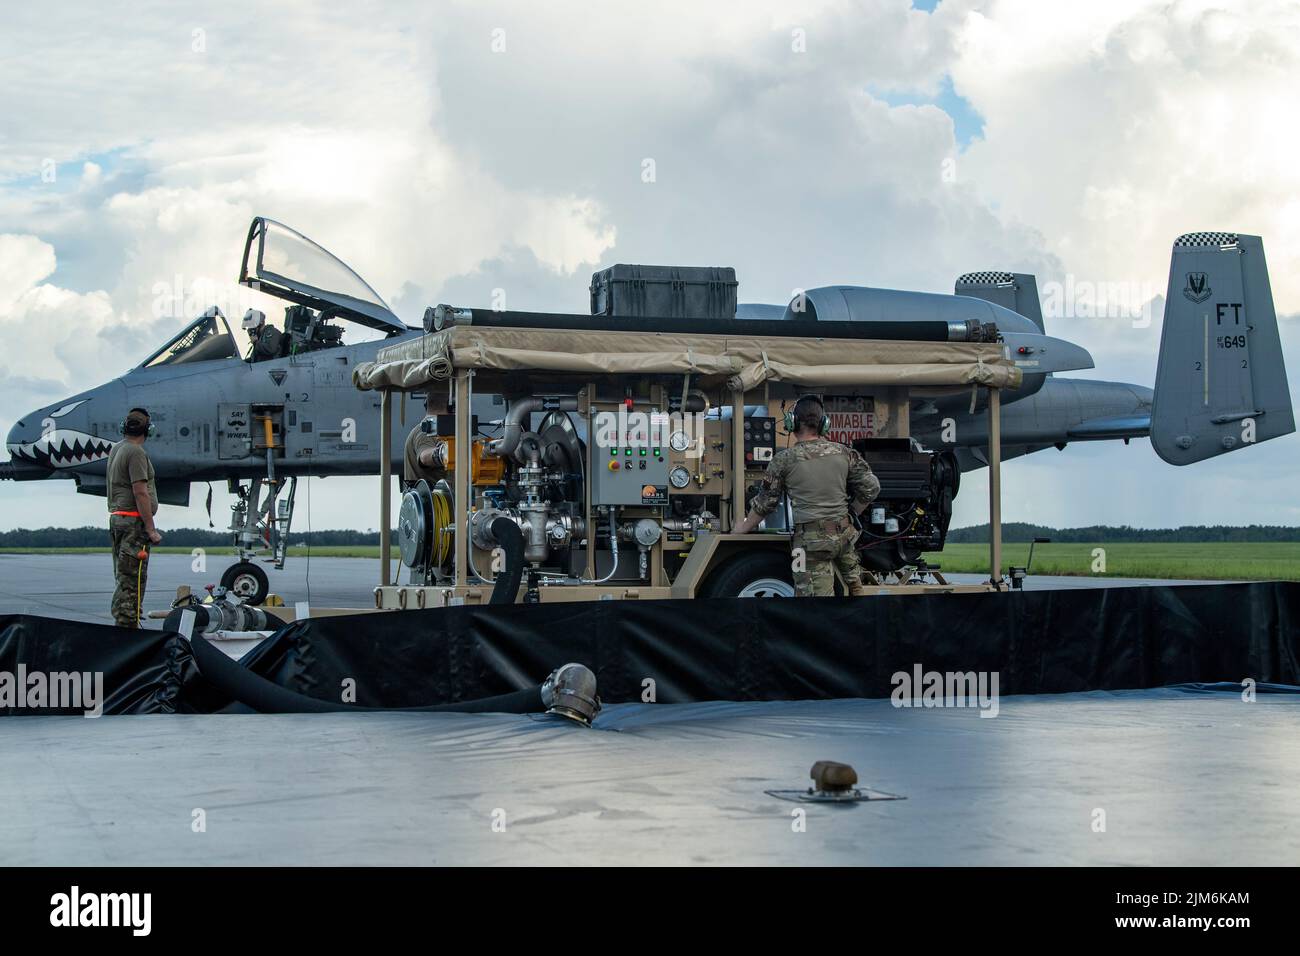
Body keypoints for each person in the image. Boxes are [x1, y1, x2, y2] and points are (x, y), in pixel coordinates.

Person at [735, 395, 880, 597]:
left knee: (812, 604)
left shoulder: (784, 460)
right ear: (823, 424)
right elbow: (871, 488)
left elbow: (766, 503)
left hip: (808, 545)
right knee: (856, 594)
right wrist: (852, 512)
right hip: (845, 539)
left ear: (791, 423)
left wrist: (742, 528)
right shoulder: (844, 453)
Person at [106, 408, 162, 627]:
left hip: (119, 520)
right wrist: (150, 528)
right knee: (133, 581)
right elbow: (140, 491)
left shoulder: (117, 448)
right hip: (133, 524)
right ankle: (128, 632)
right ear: (148, 429)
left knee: (123, 578)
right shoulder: (136, 452)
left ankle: (123, 626)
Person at [403, 390, 451, 489]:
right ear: (452, 407)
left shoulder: (433, 429)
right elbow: (424, 457)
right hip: (433, 502)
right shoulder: (426, 432)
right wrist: (443, 453)